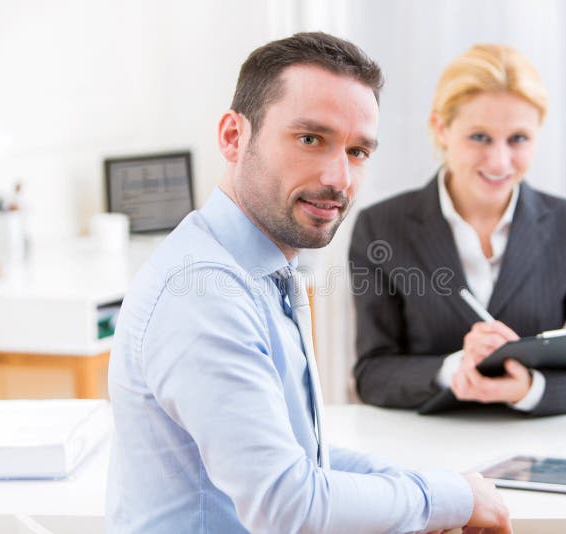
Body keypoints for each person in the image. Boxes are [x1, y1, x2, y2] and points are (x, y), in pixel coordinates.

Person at [107, 32, 511, 533]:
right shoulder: (204, 293)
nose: (339, 177)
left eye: (359, 151)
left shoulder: (266, 267)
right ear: (234, 137)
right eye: (310, 139)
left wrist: (442, 491)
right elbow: (288, 506)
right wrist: (447, 498)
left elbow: (305, 459)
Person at [350, 44, 566, 417]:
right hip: (426, 448)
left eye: (518, 139)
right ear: (442, 128)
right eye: (479, 137)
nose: (500, 161)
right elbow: (373, 373)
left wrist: (531, 388)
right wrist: (455, 369)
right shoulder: (381, 228)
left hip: (543, 445)